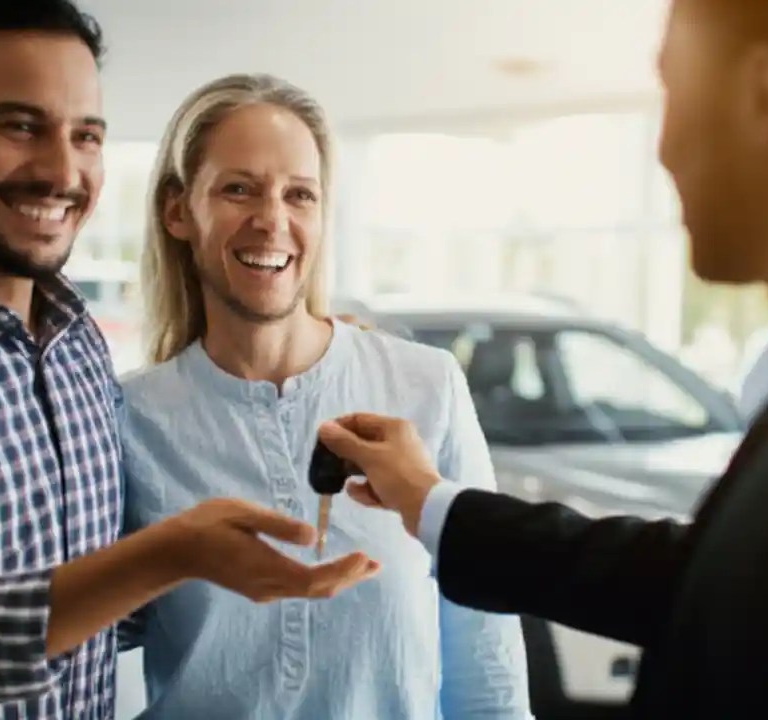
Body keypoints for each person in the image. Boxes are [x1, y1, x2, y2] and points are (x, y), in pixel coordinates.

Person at [317, 1, 768, 716]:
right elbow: (717, 575)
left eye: (672, 88)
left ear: (765, 98)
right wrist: (434, 503)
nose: (661, 148)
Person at [0, 2, 374, 717]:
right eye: (21, 127)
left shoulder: (74, 342)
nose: (61, 170)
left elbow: (109, 613)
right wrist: (173, 554)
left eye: (86, 137)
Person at [118, 73, 533, 720]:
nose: (271, 219)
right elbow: (79, 651)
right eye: (239, 189)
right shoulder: (129, 421)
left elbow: (487, 661)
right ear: (178, 211)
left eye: (300, 194)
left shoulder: (426, 387)